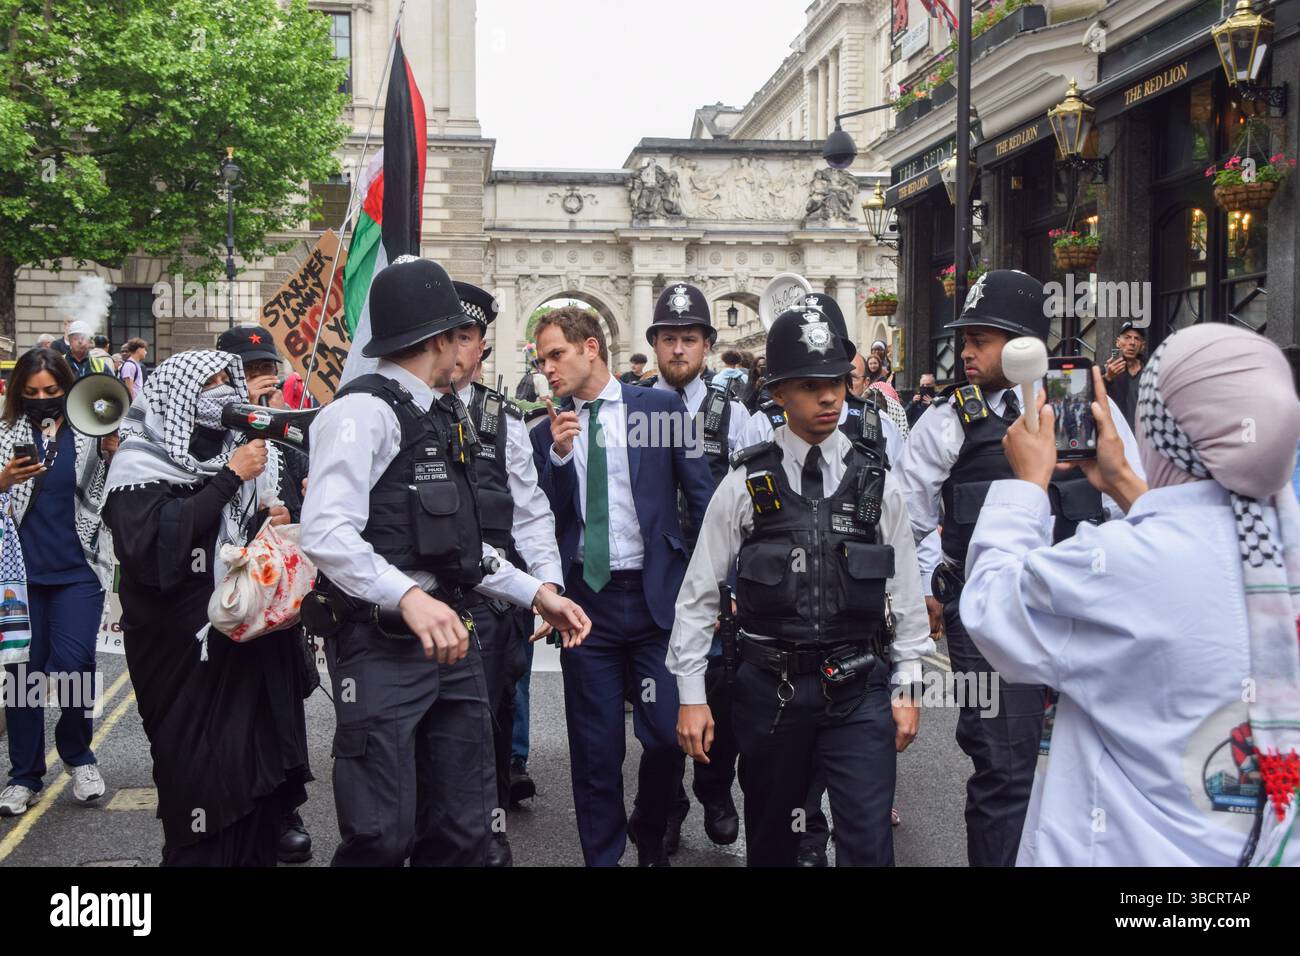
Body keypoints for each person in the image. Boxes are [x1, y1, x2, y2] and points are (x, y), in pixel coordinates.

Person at [962, 324, 1300, 866]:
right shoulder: (1276, 552)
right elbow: (1187, 550)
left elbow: (991, 605)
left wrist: (1026, 485)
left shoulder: (1116, 566)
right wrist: (1126, 484)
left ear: (1158, 432)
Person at [300, 257, 589, 867]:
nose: (463, 351)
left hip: (454, 643)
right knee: (381, 834)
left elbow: (460, 545)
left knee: (466, 831)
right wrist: (406, 597)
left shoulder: (443, 414)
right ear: (435, 339)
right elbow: (325, 531)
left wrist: (536, 591)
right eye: (455, 336)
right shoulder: (360, 413)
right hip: (381, 648)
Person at [897, 269, 1144, 868]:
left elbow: (1128, 501)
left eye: (983, 338)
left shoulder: (1081, 405)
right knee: (1004, 766)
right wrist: (938, 576)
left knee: (1096, 762)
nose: (967, 351)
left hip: (1080, 612)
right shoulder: (949, 417)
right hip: (992, 621)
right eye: (966, 338)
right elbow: (906, 512)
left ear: (1027, 344)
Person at [670, 306, 932, 866]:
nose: (829, 398)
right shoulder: (746, 482)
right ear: (780, 393)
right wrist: (692, 697)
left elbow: (906, 593)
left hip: (859, 687)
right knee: (774, 842)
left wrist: (907, 686)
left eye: (836, 382)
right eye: (811, 387)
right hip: (772, 692)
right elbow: (698, 595)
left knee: (867, 839)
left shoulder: (873, 483)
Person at [101, 350, 311, 865]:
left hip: (241, 647)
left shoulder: (239, 456)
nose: (222, 389)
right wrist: (228, 480)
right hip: (176, 651)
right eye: (209, 381)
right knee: (197, 778)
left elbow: (237, 539)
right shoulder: (138, 464)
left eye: (226, 379)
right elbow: (152, 547)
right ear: (176, 396)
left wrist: (272, 518)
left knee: (251, 777)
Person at [530, 305, 714, 866]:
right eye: (541, 360)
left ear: (591, 348)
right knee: (594, 751)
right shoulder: (548, 431)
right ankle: (602, 858)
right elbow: (540, 518)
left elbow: (702, 495)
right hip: (588, 606)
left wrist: (717, 581)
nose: (548, 370)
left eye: (556, 354)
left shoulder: (658, 407)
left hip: (658, 599)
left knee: (664, 735)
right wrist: (559, 458)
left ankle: (650, 823)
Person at [445, 280, 564, 867]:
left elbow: (531, 510)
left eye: (468, 338)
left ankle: (486, 832)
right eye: (449, 337)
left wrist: (548, 586)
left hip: (492, 605)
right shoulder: (386, 410)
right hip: (418, 604)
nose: (458, 351)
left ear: (482, 346)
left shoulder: (503, 420)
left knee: (488, 722)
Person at [635, 282, 750, 854]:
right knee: (659, 707)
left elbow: (757, 499)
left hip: (720, 580)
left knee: (720, 692)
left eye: (689, 339)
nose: (678, 350)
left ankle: (714, 787)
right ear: (654, 345)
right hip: (654, 577)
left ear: (707, 345)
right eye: (669, 339)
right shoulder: (630, 409)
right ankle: (667, 807)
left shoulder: (737, 414)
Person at [213, 323, 314, 862]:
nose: (263, 383)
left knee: (279, 706)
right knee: (230, 713)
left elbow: (308, 516)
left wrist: (293, 509)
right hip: (220, 602)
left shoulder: (288, 437)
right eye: (251, 374)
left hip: (274, 607)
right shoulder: (203, 436)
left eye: (268, 373)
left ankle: (283, 811)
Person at [0, 349, 115, 817]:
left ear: (68, 388)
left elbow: (112, 492)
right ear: (18, 395)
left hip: (78, 571)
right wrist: (3, 480)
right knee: (22, 675)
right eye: (31, 394)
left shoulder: (90, 431)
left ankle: (78, 754)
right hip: (18, 575)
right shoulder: (5, 435)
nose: (42, 400)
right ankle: (24, 775)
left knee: (74, 662)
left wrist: (112, 453)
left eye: (52, 391)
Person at [1103, 321, 1146, 430]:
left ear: (1142, 345)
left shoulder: (1150, 372)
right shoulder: (1105, 370)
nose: (1132, 343)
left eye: (1137, 339)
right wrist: (1107, 378)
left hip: (1143, 437)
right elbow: (1094, 400)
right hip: (1118, 437)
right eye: (1127, 337)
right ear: (1118, 342)